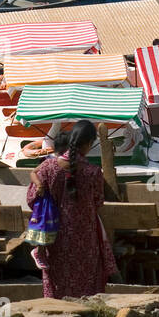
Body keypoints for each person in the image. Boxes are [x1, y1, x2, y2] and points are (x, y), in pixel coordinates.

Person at [26, 120, 118, 298]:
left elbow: (31, 199)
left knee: (57, 280)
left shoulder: (47, 167)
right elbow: (98, 202)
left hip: (54, 237)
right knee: (87, 285)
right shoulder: (93, 172)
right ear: (89, 143)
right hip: (86, 238)